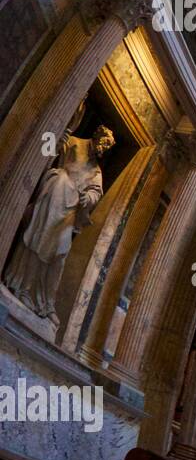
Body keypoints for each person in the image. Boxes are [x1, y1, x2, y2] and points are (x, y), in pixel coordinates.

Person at [3, 122, 116, 327]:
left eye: (108, 147)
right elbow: (49, 155)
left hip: (68, 213)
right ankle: (21, 285)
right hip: (51, 200)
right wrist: (56, 143)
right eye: (104, 143)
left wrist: (87, 199)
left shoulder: (96, 171)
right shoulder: (73, 143)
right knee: (39, 236)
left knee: (59, 254)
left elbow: (95, 192)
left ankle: (44, 301)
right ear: (97, 137)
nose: (104, 148)